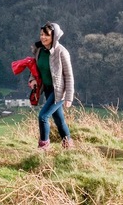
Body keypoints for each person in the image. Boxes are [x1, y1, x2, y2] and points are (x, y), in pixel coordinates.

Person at [32, 22, 75, 151]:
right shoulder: (39, 50)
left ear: (54, 36)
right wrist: (33, 79)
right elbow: (35, 69)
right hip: (47, 89)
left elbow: (69, 75)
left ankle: (44, 146)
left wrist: (69, 97)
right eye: (41, 34)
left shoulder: (62, 52)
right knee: (59, 119)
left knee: (43, 116)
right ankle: (68, 145)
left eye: (47, 35)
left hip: (59, 91)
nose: (43, 37)